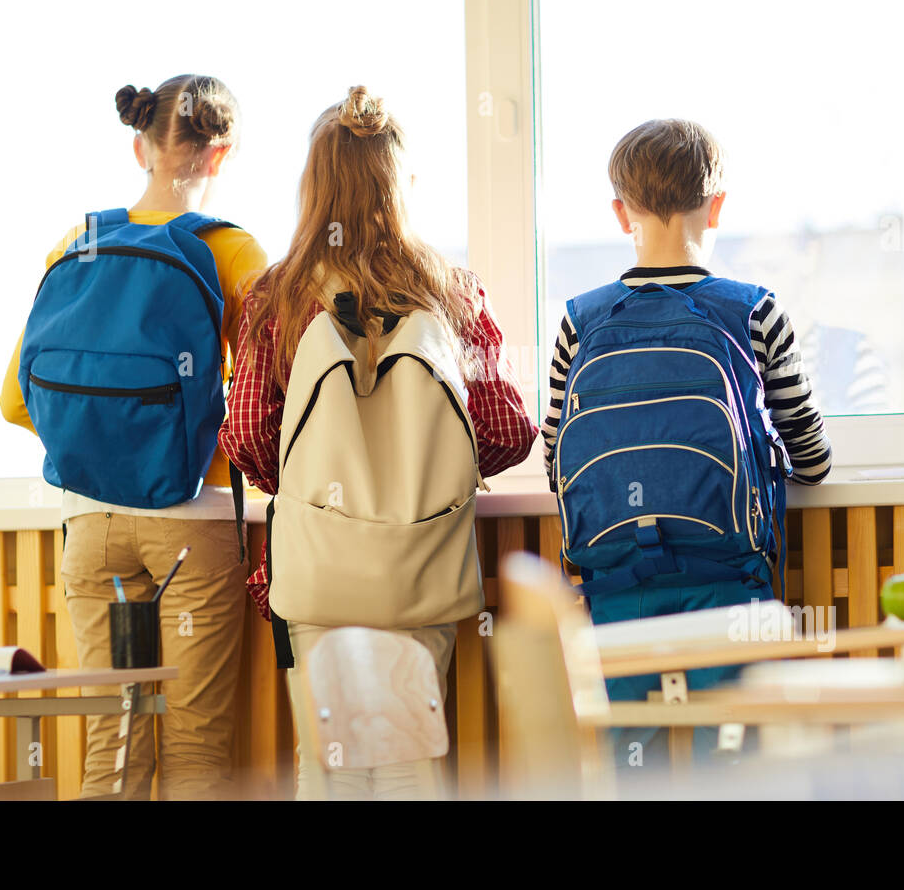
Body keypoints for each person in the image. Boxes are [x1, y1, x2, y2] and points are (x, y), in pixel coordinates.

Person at [220, 85, 537, 799]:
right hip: (419, 563)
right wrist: (422, 470)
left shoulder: (277, 294)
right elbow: (508, 431)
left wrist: (318, 477)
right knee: (406, 762)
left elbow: (244, 435)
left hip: (318, 567)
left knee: (326, 764)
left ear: (313, 185)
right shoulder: (453, 292)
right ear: (402, 184)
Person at [0, 75, 268, 799]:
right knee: (195, 749)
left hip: (89, 526)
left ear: (142, 145)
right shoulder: (231, 250)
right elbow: (270, 401)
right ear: (221, 154)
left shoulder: (77, 240)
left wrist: (102, 445)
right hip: (193, 520)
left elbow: (14, 400)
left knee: (112, 744)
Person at [541, 118, 832, 774]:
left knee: (629, 767)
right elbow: (812, 459)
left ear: (621, 213)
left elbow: (555, 455)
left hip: (614, 591)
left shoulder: (579, 321)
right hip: (729, 587)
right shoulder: (754, 311)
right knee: (733, 770)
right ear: (718, 205)